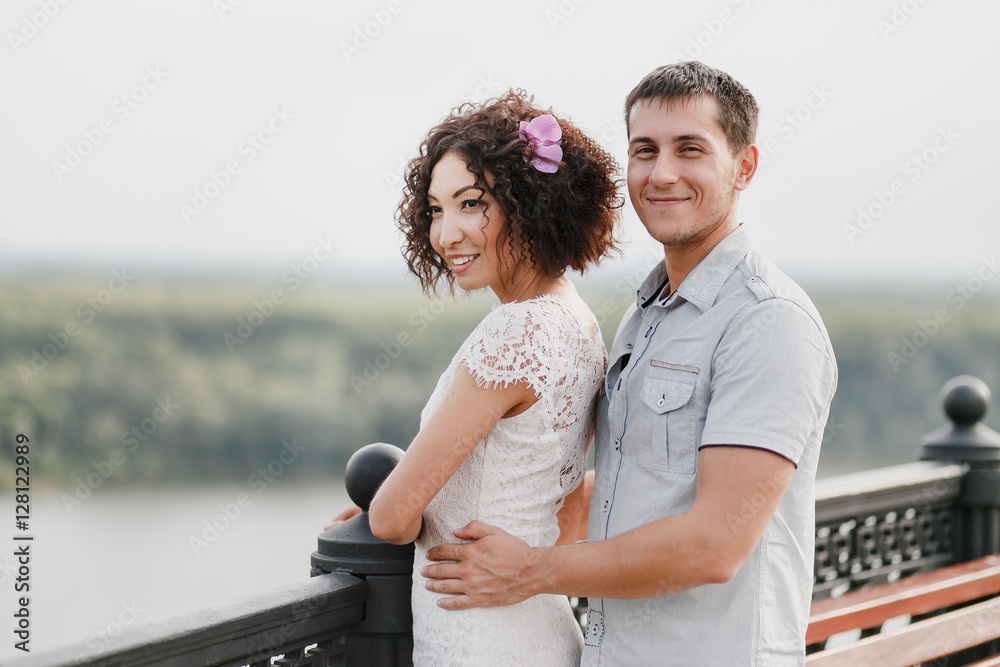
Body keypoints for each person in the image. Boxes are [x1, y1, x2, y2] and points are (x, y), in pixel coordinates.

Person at [421, 62, 838, 666]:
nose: (662, 173)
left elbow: (716, 544)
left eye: (689, 149)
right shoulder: (647, 315)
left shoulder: (768, 321)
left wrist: (532, 570)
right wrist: (432, 494)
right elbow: (636, 483)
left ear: (744, 167)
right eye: (645, 150)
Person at [363, 90, 621, 665]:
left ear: (530, 203)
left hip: (479, 639)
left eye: (471, 203)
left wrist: (398, 501)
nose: (446, 233)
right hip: (541, 630)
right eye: (436, 209)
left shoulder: (517, 331)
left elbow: (391, 518)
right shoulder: (578, 321)